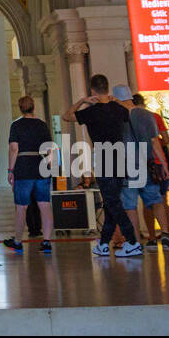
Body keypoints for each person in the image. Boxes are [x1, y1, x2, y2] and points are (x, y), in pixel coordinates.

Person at [63, 74, 142, 258]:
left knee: (112, 201)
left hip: (104, 159)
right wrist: (115, 101)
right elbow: (131, 109)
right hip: (120, 158)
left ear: (92, 91)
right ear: (108, 89)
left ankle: (132, 241)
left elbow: (66, 116)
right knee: (110, 201)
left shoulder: (90, 112)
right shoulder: (117, 108)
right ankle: (104, 244)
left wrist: (82, 100)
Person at [117, 85, 169, 253]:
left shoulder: (116, 116)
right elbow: (155, 142)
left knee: (130, 205)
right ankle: (166, 233)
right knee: (156, 200)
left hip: (127, 165)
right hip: (147, 163)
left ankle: (136, 243)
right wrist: (164, 164)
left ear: (117, 99)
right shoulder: (148, 115)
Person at [6, 95, 53, 254]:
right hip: (40, 166)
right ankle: (46, 242)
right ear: (33, 107)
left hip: (24, 167)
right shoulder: (42, 125)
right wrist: (49, 165)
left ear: (20, 108)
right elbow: (49, 149)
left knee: (21, 207)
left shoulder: (16, 126)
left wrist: (10, 170)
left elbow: (14, 149)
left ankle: (18, 242)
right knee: (44, 206)